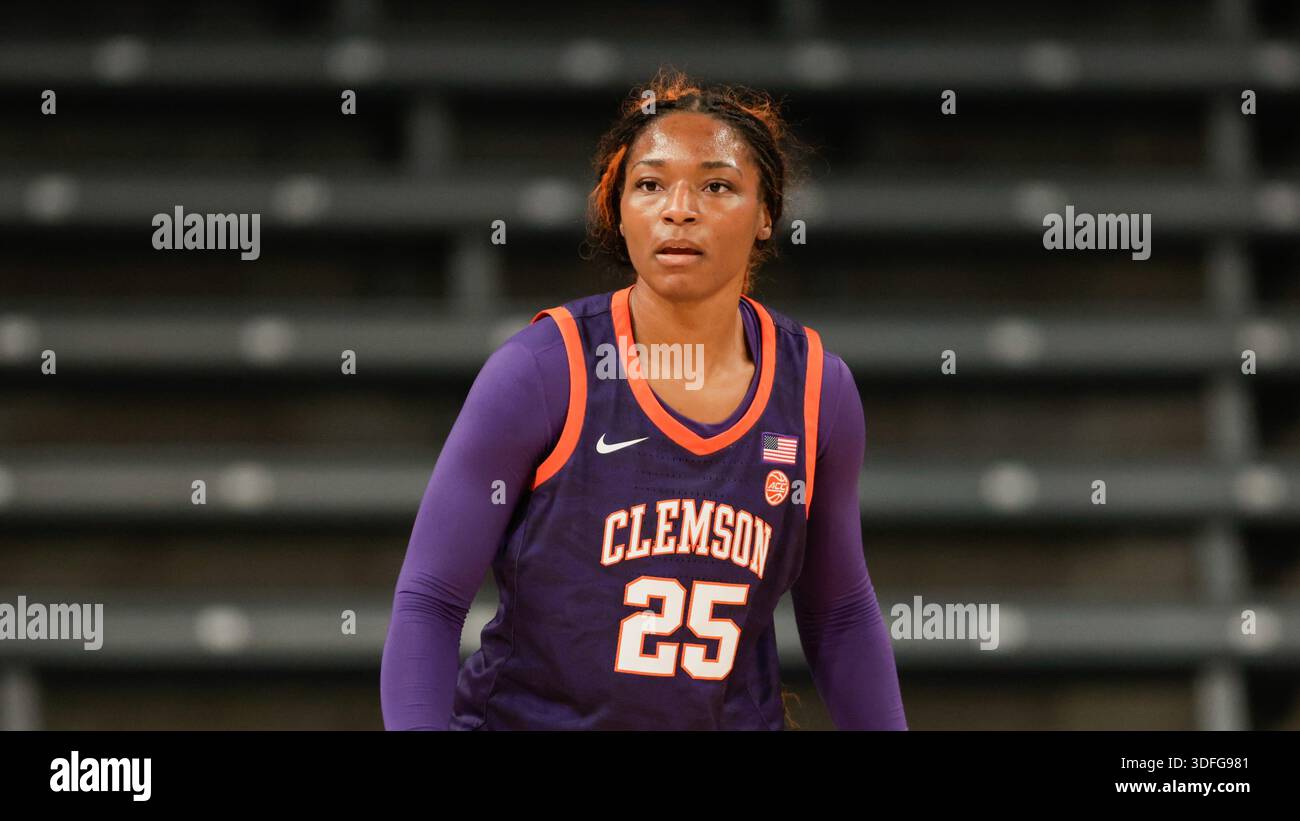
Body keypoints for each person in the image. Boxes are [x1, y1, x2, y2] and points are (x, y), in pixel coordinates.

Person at [381, 69, 906, 730]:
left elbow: (840, 614)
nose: (679, 207)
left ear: (766, 213)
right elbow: (430, 599)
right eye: (651, 184)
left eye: (717, 185)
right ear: (619, 211)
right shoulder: (543, 371)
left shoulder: (817, 391)